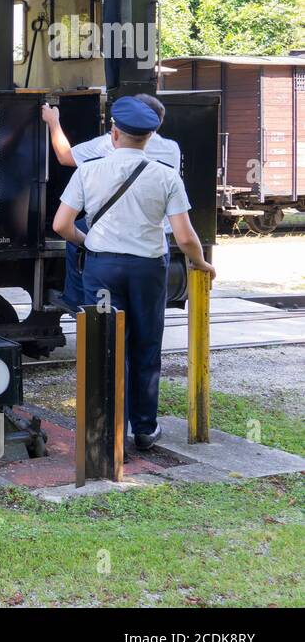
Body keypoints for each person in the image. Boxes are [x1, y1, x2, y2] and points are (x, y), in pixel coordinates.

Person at [51, 96, 215, 450]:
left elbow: (61, 224)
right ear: (150, 135)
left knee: (105, 345)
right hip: (147, 270)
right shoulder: (166, 175)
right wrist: (202, 264)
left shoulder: (89, 171)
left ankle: (109, 431)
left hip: (102, 268)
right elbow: (185, 237)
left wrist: (88, 241)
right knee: (145, 344)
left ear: (114, 133)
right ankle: (144, 429)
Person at [42, 94, 181, 306]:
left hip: (112, 236)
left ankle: (74, 297)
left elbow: (64, 156)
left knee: (74, 238)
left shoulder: (107, 144)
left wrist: (53, 121)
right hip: (154, 243)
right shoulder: (172, 148)